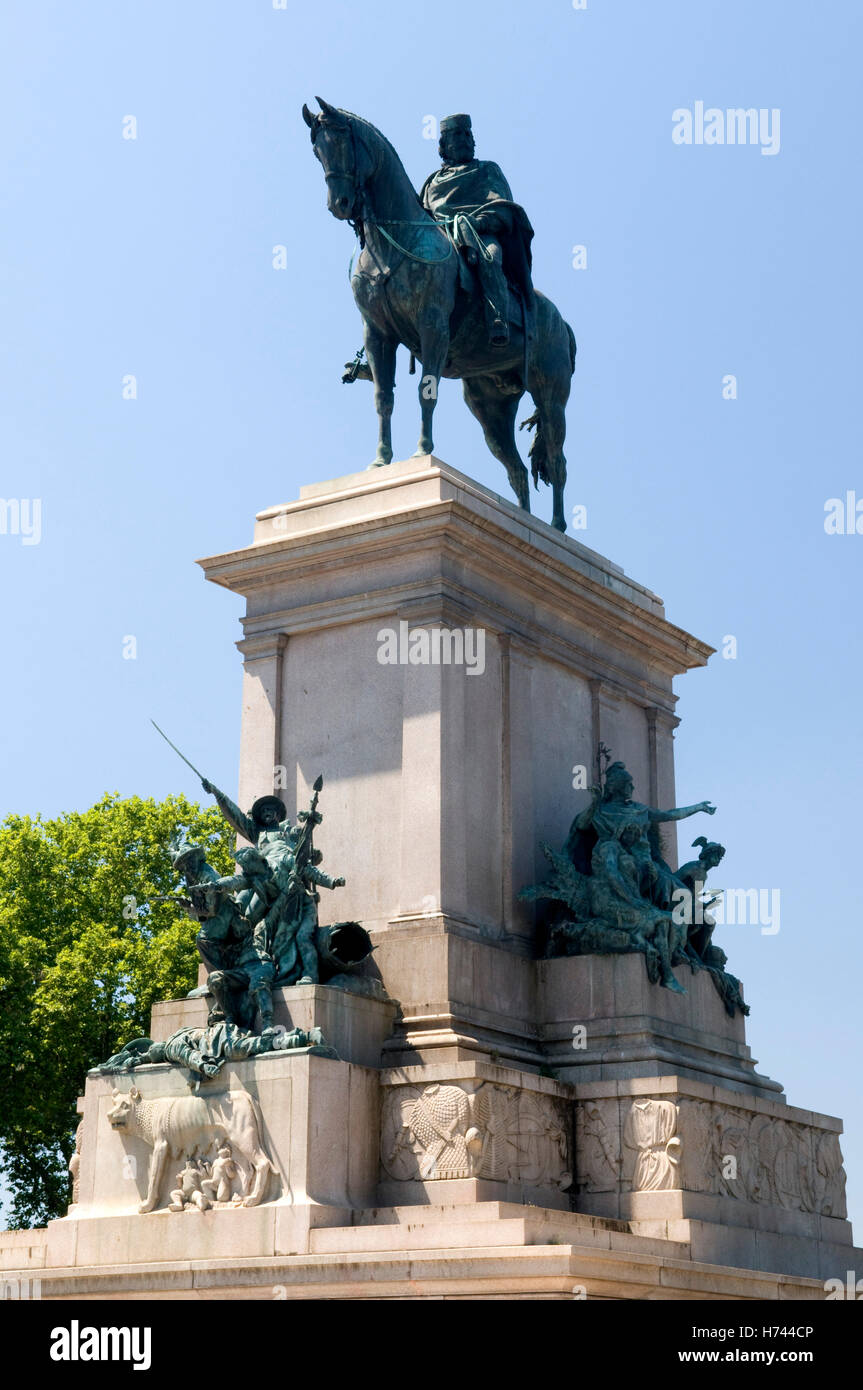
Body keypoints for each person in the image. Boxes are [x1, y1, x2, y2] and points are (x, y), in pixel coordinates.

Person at [419, 113, 534, 347]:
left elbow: (503, 208)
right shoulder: (432, 181)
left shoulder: (487, 170)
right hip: (440, 237)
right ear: (444, 146)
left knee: (490, 257)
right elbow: (421, 216)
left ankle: (497, 318)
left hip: (481, 234)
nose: (464, 139)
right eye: (457, 135)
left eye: (468, 134)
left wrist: (477, 223)